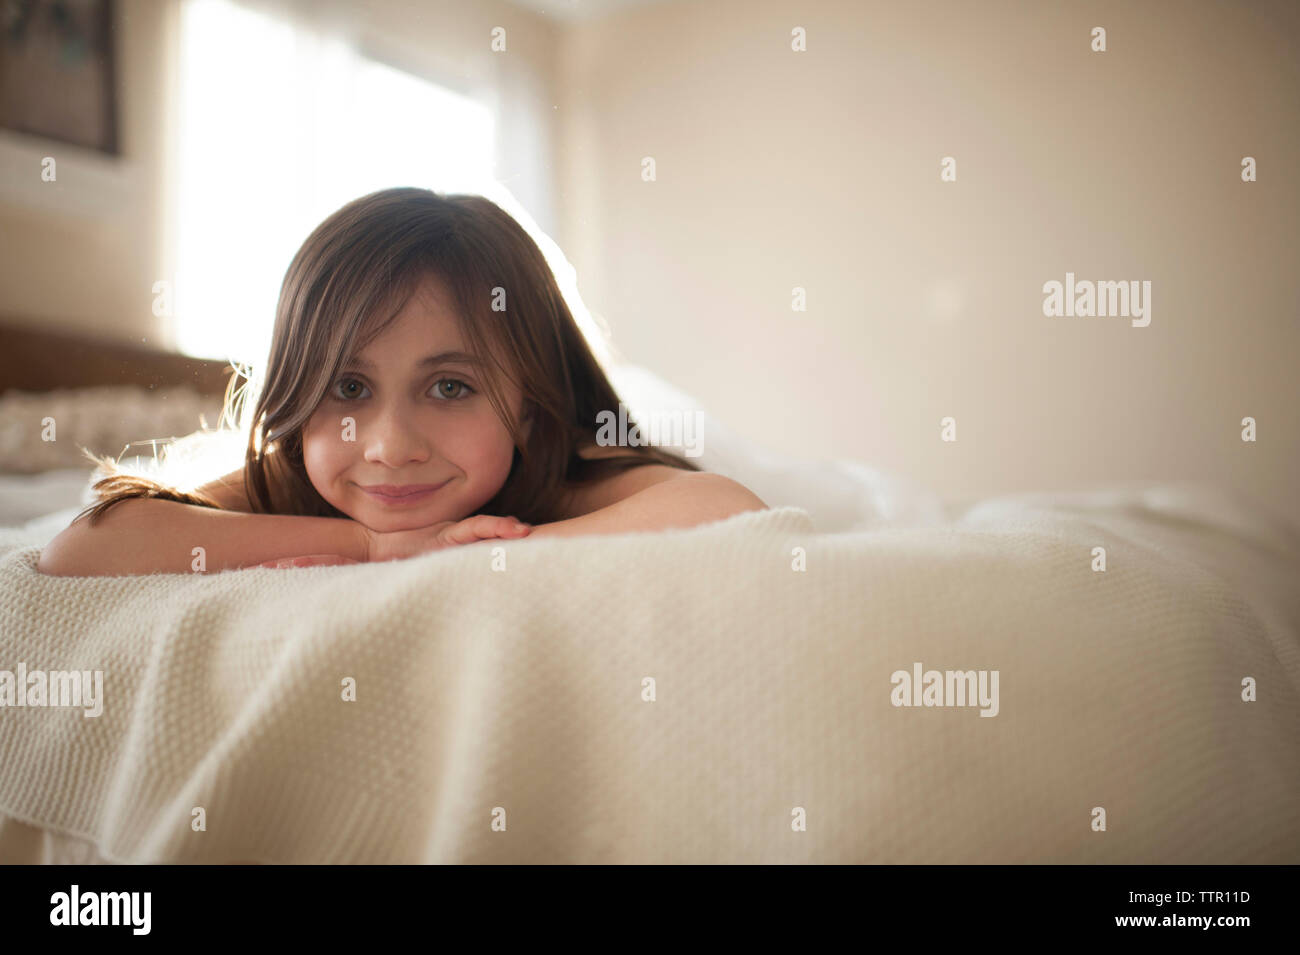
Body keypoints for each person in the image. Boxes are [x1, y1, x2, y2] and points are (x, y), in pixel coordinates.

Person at [37, 188, 767, 577]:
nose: (389, 446)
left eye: (450, 388)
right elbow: (81, 551)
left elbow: (725, 507)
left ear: (529, 403)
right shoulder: (288, 478)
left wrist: (492, 549)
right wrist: (374, 548)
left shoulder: (558, 465)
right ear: (295, 394)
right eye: (348, 389)